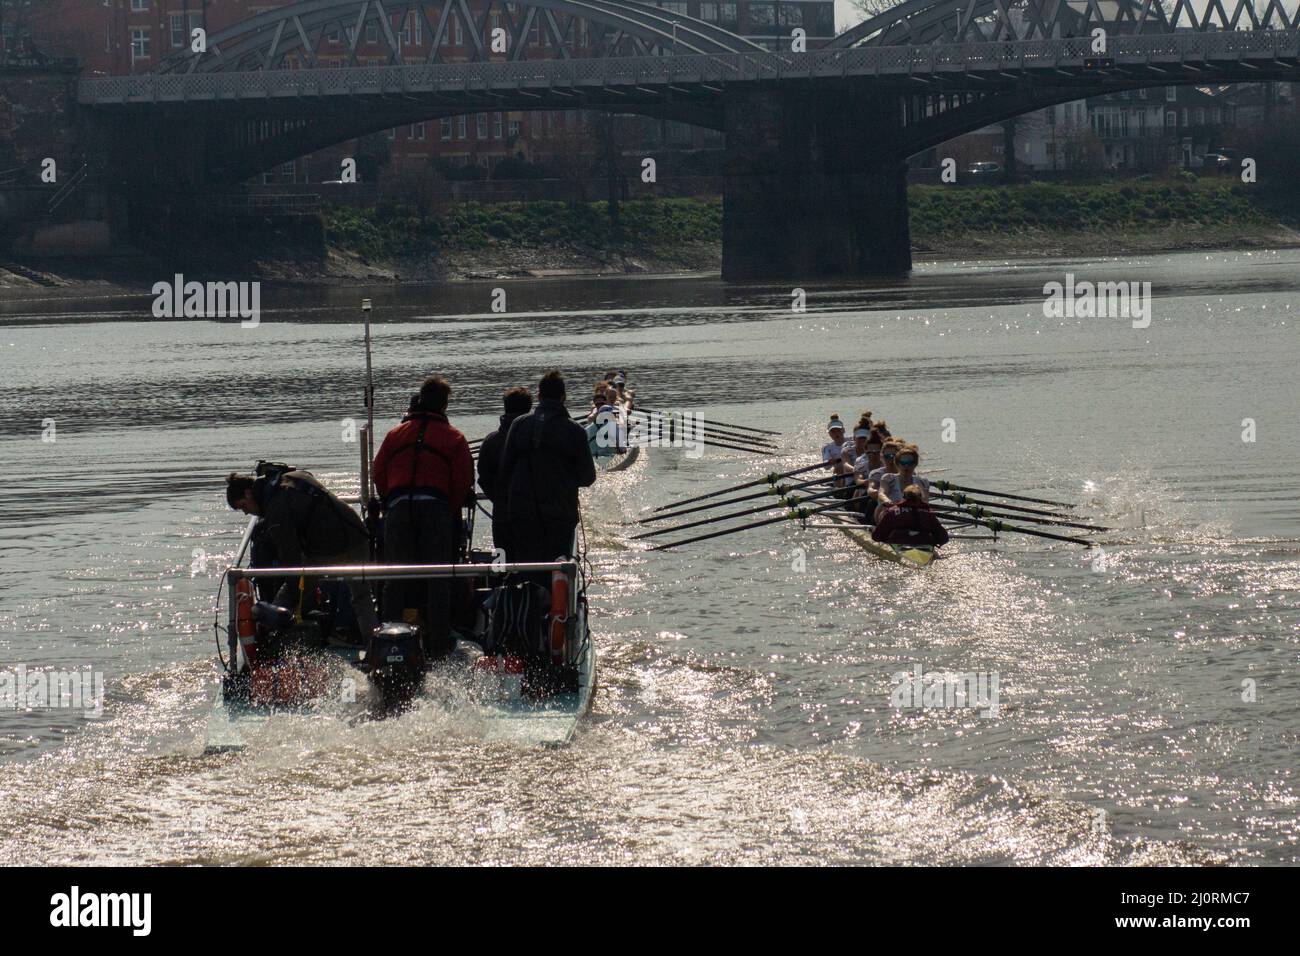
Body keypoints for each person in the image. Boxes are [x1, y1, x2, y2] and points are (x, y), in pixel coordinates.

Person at [371, 375, 474, 658]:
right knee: (438, 576)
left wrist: (389, 501)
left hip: (398, 509)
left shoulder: (395, 435)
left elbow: (378, 472)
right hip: (435, 511)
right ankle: (438, 643)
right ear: (444, 405)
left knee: (394, 577)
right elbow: (463, 480)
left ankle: (391, 640)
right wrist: (448, 509)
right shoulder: (454, 438)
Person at [226, 467, 380, 638]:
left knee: (291, 589)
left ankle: (270, 638)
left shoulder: (276, 509)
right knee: (362, 597)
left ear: (248, 493)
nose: (247, 512)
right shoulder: (289, 477)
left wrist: (288, 602)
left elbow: (290, 559)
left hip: (334, 545)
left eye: (243, 506)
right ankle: (374, 649)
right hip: (356, 531)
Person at [499, 369, 597, 568]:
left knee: (527, 569)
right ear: (564, 398)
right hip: (559, 514)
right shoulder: (575, 431)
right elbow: (588, 477)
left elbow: (505, 469)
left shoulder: (519, 424)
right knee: (557, 569)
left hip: (522, 514)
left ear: (539, 396)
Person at [476, 386, 533, 557]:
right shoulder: (536, 440)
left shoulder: (491, 441)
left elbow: (483, 478)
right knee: (533, 563)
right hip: (533, 515)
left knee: (504, 561)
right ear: (529, 409)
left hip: (502, 514)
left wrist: (500, 498)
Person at [872, 484, 949, 548]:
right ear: (921, 497)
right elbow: (944, 538)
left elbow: (877, 536)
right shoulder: (929, 514)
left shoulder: (891, 512)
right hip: (923, 545)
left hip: (897, 544)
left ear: (904, 497)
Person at [874, 442, 931, 524]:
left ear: (915, 464)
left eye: (910, 463)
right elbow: (882, 493)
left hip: (914, 518)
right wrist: (887, 501)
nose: (906, 466)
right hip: (891, 516)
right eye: (903, 463)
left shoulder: (922, 481)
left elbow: (925, 501)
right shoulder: (888, 478)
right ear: (897, 464)